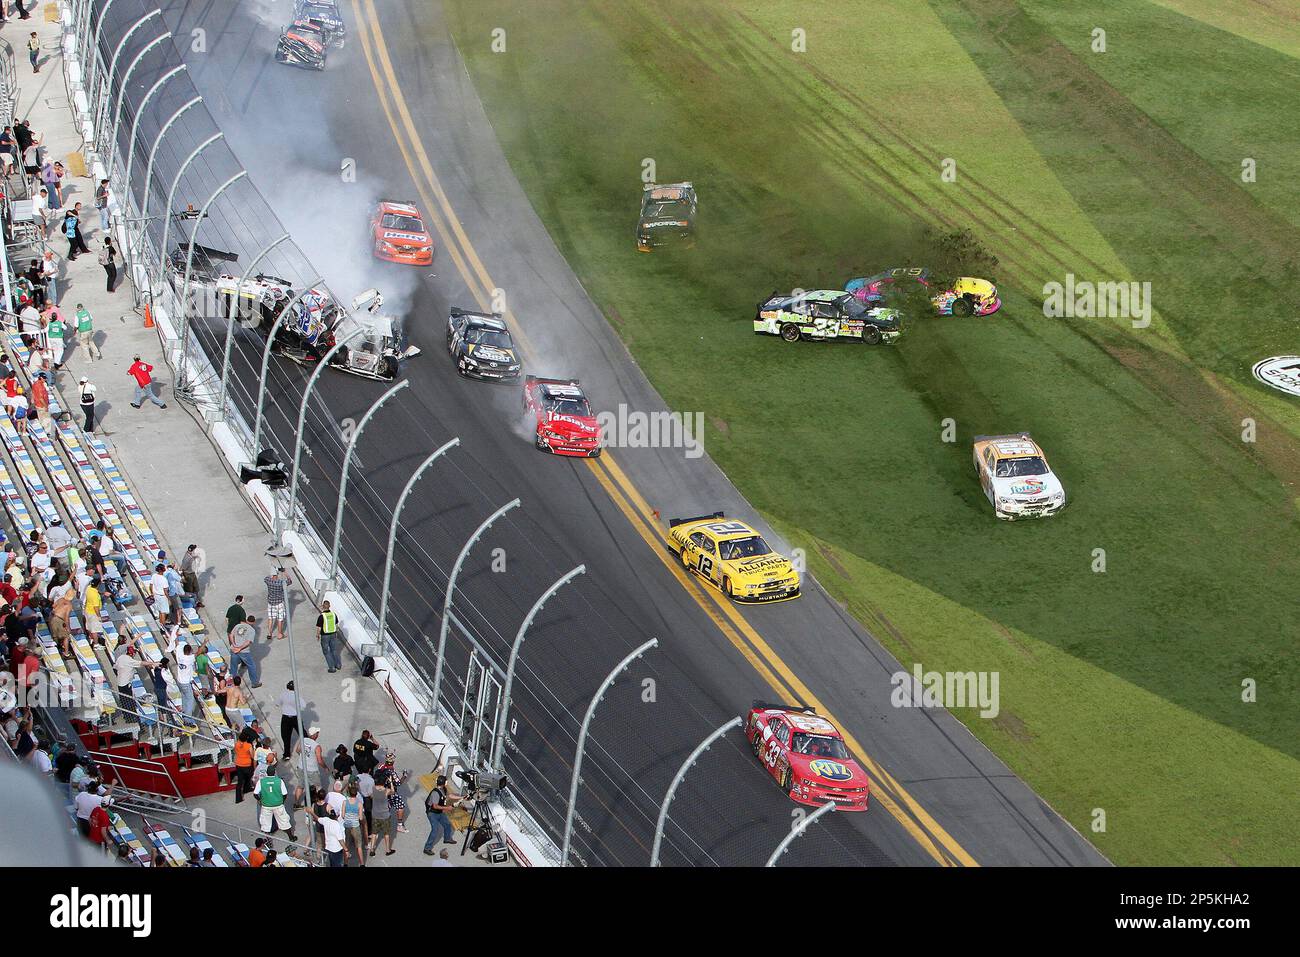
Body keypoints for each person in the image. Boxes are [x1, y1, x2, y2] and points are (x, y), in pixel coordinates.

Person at [252, 762, 297, 842]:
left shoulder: (261, 781)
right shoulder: (279, 781)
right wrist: (282, 801)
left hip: (266, 805)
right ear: (274, 772)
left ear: (267, 773)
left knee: (266, 823)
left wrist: (260, 800)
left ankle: (267, 840)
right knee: (284, 821)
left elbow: (255, 794)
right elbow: (284, 794)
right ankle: (291, 837)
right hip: (278, 804)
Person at [423, 773, 456, 854]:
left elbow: (449, 796)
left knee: (447, 824)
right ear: (443, 783)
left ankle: (447, 839)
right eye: (446, 781)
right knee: (435, 830)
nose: (447, 782)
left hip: (439, 812)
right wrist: (447, 808)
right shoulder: (436, 793)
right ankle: (427, 848)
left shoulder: (443, 789)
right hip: (432, 813)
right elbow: (435, 806)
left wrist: (462, 797)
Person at [228, 613, 259, 687]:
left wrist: (234, 644)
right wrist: (240, 648)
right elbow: (248, 642)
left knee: (233, 666)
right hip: (244, 651)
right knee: (251, 666)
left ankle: (232, 683)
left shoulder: (238, 626)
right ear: (253, 622)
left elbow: (231, 635)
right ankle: (254, 683)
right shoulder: (252, 630)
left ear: (246, 620)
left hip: (233, 649)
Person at [262, 567, 289, 641]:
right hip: (279, 602)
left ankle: (269, 633)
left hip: (271, 602)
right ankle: (279, 634)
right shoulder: (280, 583)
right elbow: (289, 581)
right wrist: (285, 572)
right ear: (277, 574)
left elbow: (266, 577)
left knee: (270, 618)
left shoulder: (268, 580)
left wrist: (272, 572)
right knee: (280, 619)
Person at [316, 599, 341, 673]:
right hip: (333, 634)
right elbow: (336, 625)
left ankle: (332, 668)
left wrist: (317, 635)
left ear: (323, 606)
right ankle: (338, 665)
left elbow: (319, 628)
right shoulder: (334, 614)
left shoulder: (321, 616)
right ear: (329, 606)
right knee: (334, 650)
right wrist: (336, 633)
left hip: (325, 636)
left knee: (326, 652)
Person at [233, 726, 255, 803]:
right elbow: (252, 756)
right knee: (248, 777)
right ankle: (247, 788)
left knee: (240, 781)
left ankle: (238, 798)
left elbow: (235, 751)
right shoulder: (248, 745)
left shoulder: (236, 744)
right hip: (247, 765)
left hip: (239, 764)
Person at [278, 680, 300, 757]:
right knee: (302, 733)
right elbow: (303, 705)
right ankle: (308, 746)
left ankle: (287, 754)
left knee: (285, 736)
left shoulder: (283, 695)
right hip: (295, 717)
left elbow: (277, 704)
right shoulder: (296, 696)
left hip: (286, 718)